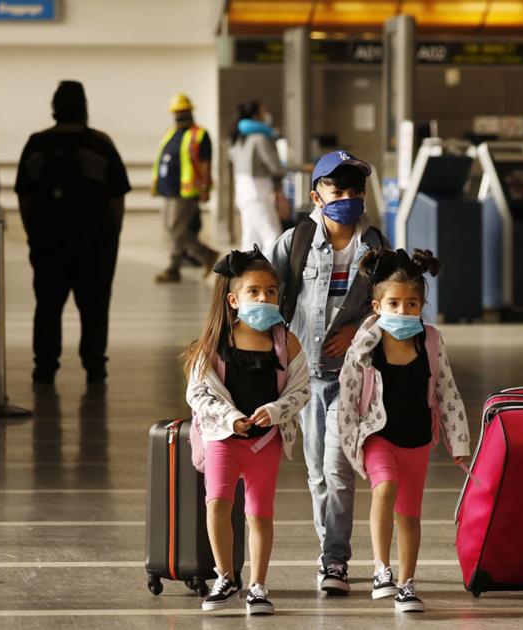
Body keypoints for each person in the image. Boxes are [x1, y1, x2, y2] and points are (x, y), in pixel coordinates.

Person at [268, 150, 389, 595]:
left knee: (337, 470)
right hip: (306, 378)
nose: (347, 199)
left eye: (355, 192)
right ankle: (328, 547)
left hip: (350, 378)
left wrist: (360, 326)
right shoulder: (295, 242)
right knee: (316, 472)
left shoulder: (375, 248)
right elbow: (269, 298)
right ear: (317, 195)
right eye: (337, 191)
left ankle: (334, 560)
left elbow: (393, 307)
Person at [337, 248, 471, 613]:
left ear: (421, 306)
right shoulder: (366, 345)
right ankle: (382, 568)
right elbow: (348, 396)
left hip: (417, 439)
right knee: (385, 487)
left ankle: (407, 583)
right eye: (393, 303)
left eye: (411, 304)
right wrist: (351, 443)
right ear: (377, 306)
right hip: (378, 435)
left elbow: (446, 390)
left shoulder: (429, 341)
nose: (402, 311)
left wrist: (459, 442)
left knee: (410, 514)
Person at [185, 247, 311, 616]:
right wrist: (228, 419)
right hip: (223, 439)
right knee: (218, 505)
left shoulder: (286, 343)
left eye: (271, 292)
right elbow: (197, 392)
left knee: (259, 513)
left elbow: (301, 389)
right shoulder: (214, 343)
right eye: (253, 292)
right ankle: (224, 576)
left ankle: (258, 584)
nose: (263, 299)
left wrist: (274, 412)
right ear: (233, 299)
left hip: (265, 443)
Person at [15, 80, 130, 385]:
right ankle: (94, 366)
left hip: (49, 242)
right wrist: (112, 236)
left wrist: (33, 234)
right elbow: (116, 196)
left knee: (48, 305)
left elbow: (24, 195)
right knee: (94, 306)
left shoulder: (37, 144)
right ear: (84, 107)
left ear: (54, 107)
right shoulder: (100, 144)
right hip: (94, 244)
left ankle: (45, 365)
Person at [153, 92, 219, 283]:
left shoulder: (200, 134)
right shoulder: (171, 133)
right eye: (177, 112)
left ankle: (190, 261)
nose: (180, 115)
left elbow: (205, 163)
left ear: (191, 111)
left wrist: (205, 188)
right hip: (168, 190)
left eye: (183, 111)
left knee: (177, 231)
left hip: (187, 191)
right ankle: (190, 260)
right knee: (171, 229)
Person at [230, 101, 287, 251]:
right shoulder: (260, 138)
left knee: (251, 237)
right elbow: (274, 166)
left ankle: (246, 272)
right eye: (264, 111)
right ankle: (271, 272)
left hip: (243, 190)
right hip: (258, 191)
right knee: (272, 235)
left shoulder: (239, 138)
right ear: (256, 115)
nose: (267, 114)